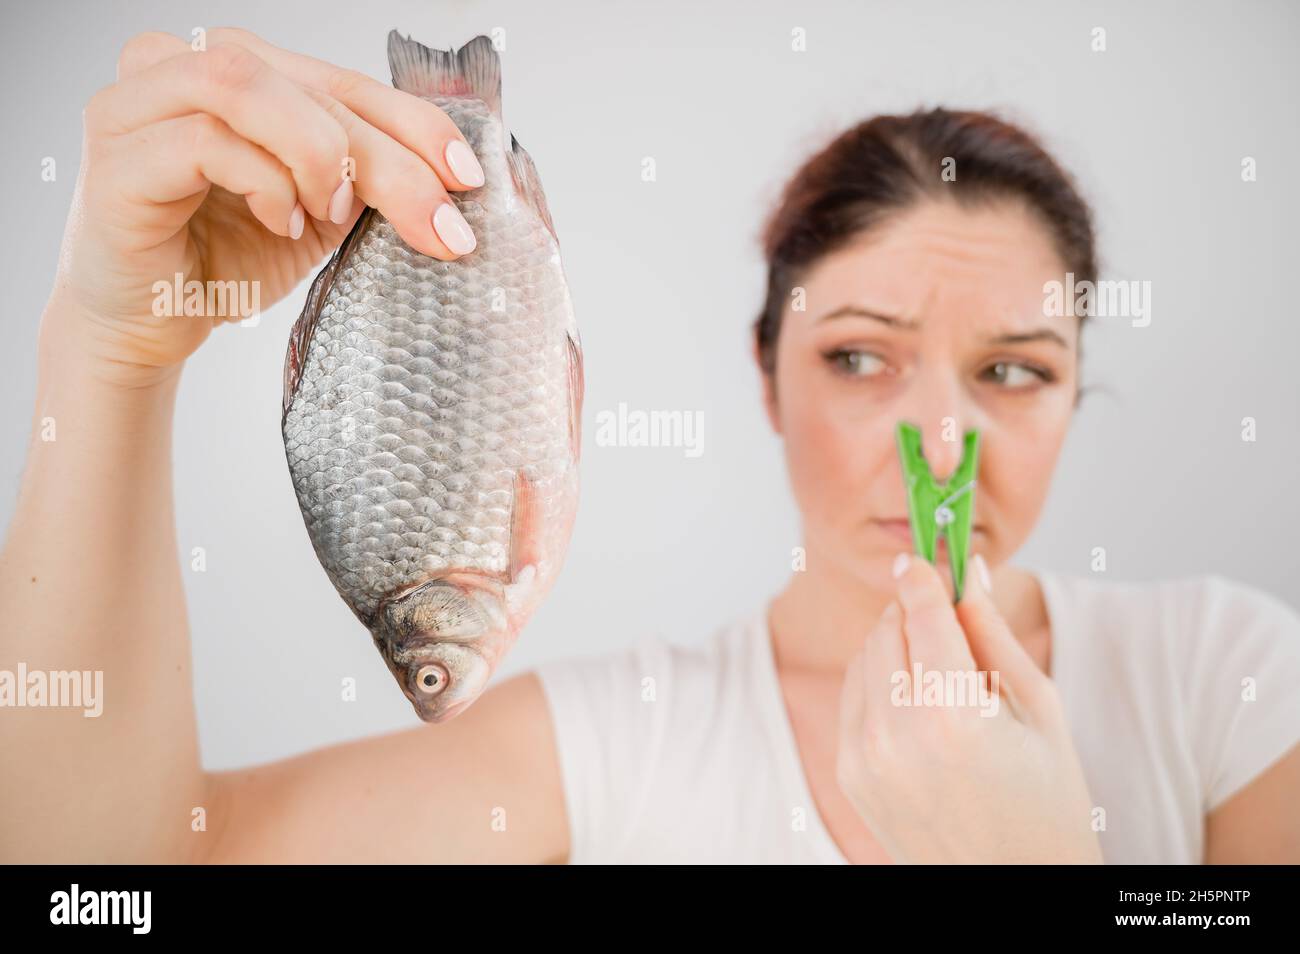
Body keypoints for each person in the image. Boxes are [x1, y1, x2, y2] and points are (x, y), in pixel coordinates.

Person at [1, 28, 1297, 865]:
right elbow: (102, 880)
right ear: (769, 378)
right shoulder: (610, 741)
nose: (941, 440)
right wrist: (108, 350)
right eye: (858, 355)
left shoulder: (1229, 673)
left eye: (1016, 370)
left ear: (1080, 392)